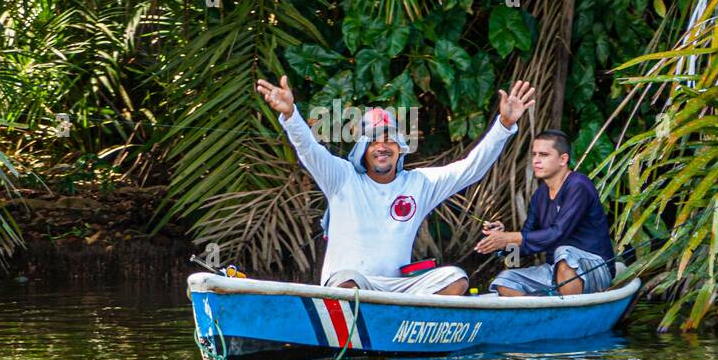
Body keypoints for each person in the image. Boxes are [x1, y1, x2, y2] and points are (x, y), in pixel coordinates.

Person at [255, 74, 536, 294]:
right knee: (347, 283)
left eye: (389, 141)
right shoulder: (342, 177)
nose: (382, 147)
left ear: (400, 149)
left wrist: (504, 124)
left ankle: (412, 335)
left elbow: (470, 169)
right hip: (349, 286)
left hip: (397, 290)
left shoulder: (419, 183)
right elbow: (309, 150)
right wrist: (291, 116)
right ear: (363, 149)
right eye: (374, 141)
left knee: (455, 279)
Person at [476, 129, 617, 296]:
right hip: (555, 270)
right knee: (505, 280)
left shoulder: (578, 185)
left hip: (595, 269)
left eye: (543, 155)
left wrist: (510, 237)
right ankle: (543, 315)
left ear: (563, 159)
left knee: (564, 254)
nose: (536, 161)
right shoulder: (540, 195)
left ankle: (569, 312)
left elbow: (558, 233)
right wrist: (501, 242)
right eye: (534, 154)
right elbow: (526, 242)